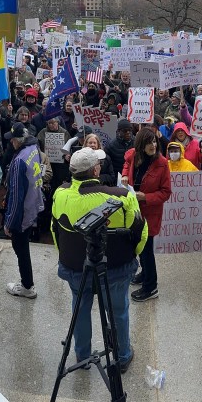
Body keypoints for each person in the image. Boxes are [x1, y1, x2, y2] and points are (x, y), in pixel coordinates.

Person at [50, 147, 146, 374]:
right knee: (118, 310)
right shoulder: (121, 196)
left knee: (80, 308)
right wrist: (133, 257)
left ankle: (82, 354)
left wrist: (66, 257)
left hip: (75, 268)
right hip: (116, 268)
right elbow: (140, 232)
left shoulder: (60, 193)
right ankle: (122, 355)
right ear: (95, 169)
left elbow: (55, 230)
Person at [128, 130, 170, 302]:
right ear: (140, 145)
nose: (153, 145)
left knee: (146, 250)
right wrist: (124, 175)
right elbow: (126, 162)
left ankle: (151, 287)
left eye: (154, 142)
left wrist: (145, 197)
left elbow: (166, 193)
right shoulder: (134, 156)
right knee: (139, 245)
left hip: (150, 213)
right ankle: (144, 273)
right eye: (149, 142)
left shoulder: (162, 163)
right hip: (134, 211)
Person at [4, 125, 45, 299]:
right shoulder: (33, 148)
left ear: (18, 140)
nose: (11, 142)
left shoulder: (19, 160)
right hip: (34, 204)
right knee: (24, 247)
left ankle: (27, 285)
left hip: (23, 212)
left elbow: (15, 196)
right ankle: (27, 282)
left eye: (12, 139)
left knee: (20, 248)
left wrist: (9, 222)